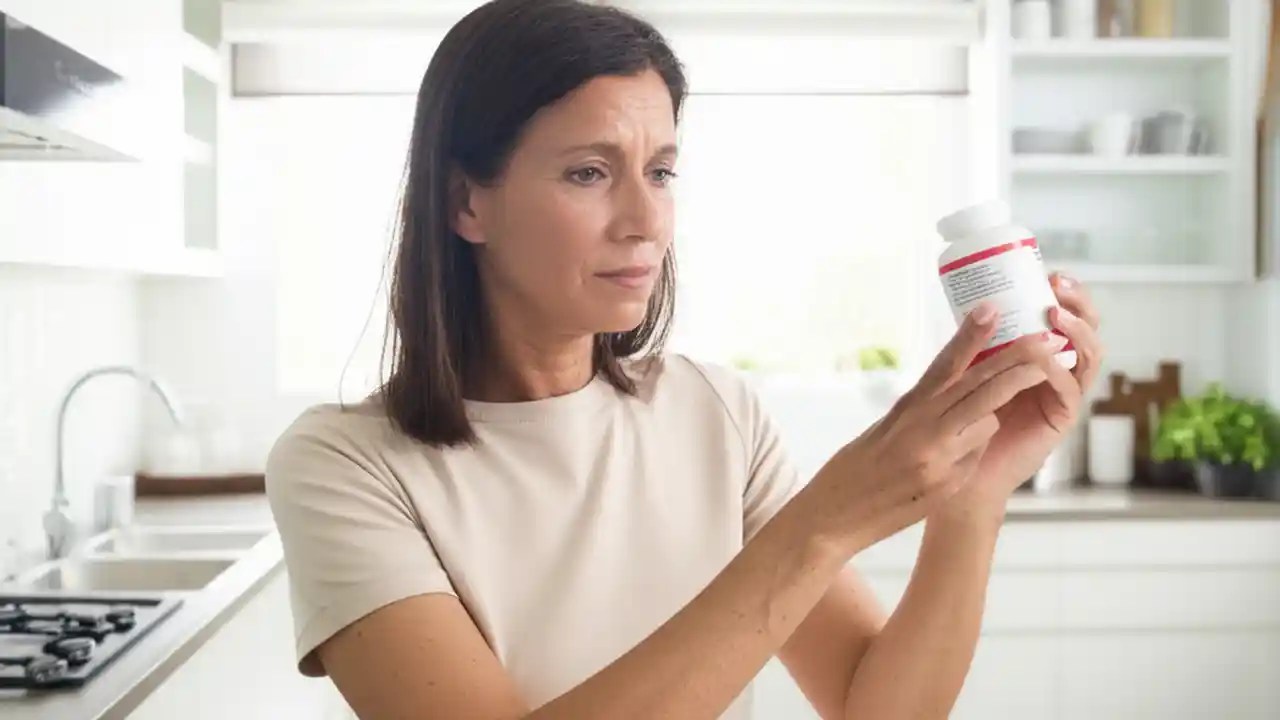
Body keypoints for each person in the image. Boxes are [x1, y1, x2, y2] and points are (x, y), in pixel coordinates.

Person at [264, 1, 1104, 718]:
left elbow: (873, 705)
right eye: (589, 172)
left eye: (660, 171)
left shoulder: (715, 413)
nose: (645, 220)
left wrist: (976, 494)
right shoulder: (344, 465)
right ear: (466, 202)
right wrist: (825, 523)